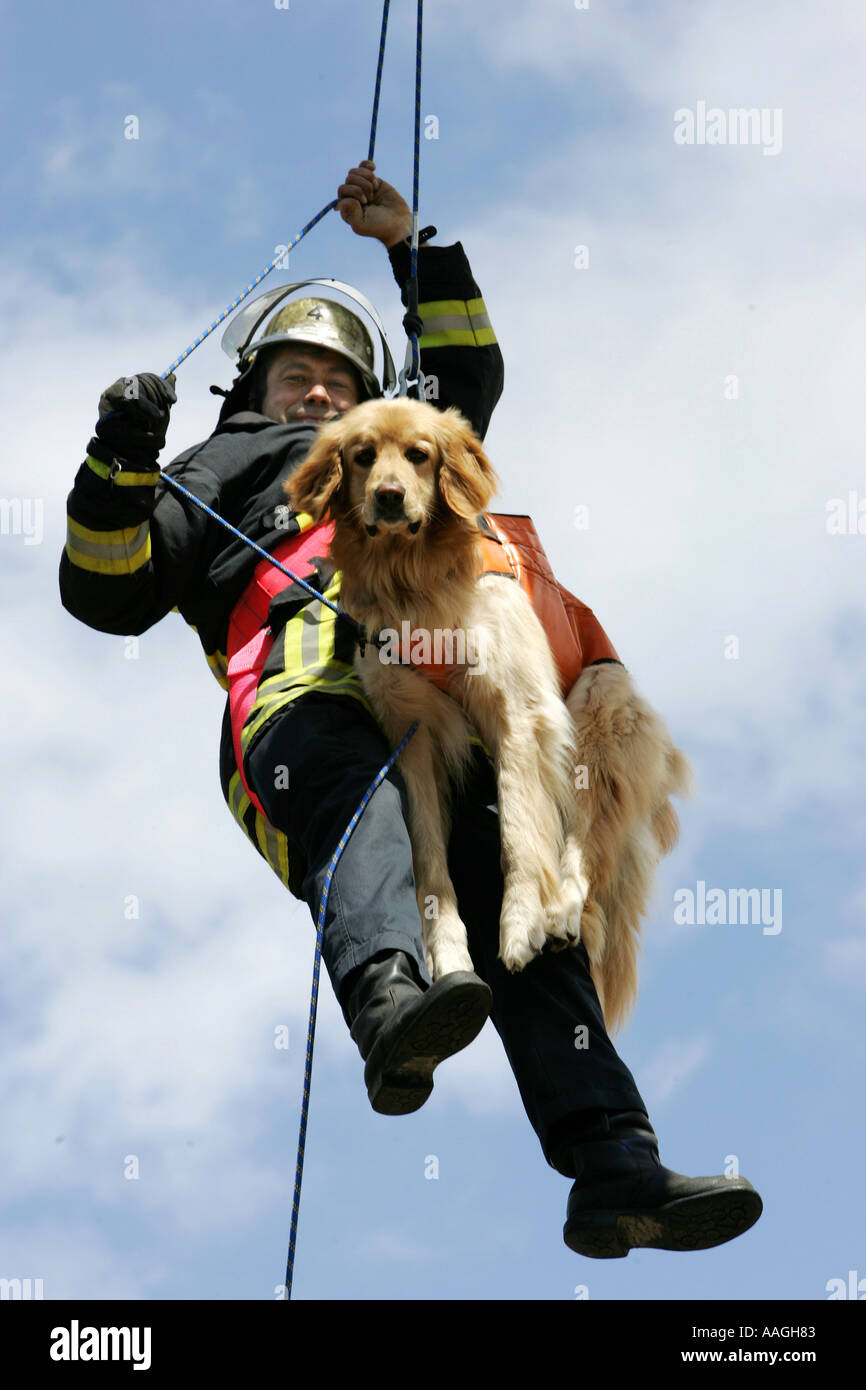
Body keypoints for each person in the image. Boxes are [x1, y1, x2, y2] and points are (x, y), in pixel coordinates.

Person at [59, 160, 762, 1259]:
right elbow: (108, 589)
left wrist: (413, 245)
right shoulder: (210, 470)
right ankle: (392, 1004)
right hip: (297, 702)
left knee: (524, 914)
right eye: (300, 373)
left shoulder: (395, 452)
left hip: (435, 697)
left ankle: (612, 1162)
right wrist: (117, 464)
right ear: (255, 382)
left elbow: (466, 369)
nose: (323, 395)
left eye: (342, 379)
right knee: (360, 801)